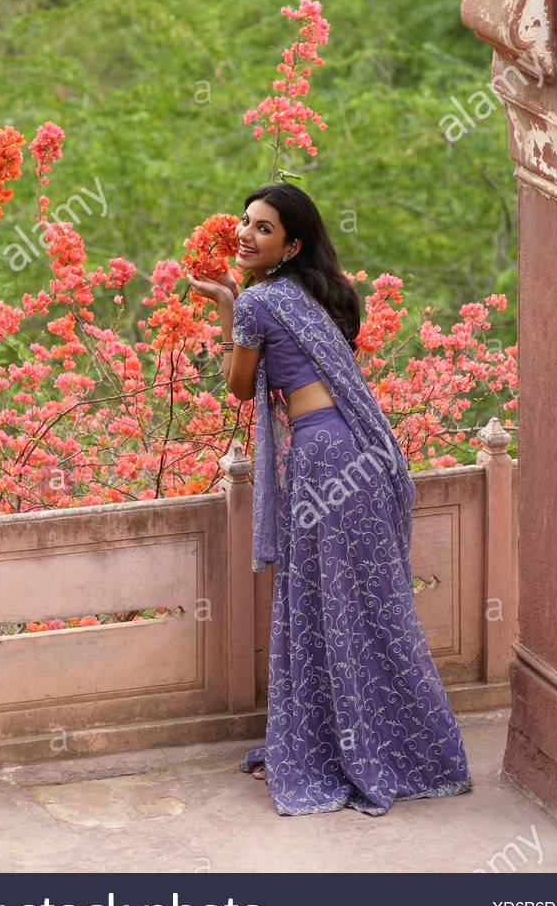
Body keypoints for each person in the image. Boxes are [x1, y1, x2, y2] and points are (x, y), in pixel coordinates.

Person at [186, 182, 473, 817]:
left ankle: (337, 754)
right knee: (374, 605)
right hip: (362, 455)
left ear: (291, 243)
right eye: (245, 221)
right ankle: (417, 752)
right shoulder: (321, 295)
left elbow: (238, 388)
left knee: (328, 603)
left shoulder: (261, 302)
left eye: (264, 228)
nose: (246, 233)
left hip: (322, 460)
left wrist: (230, 306)